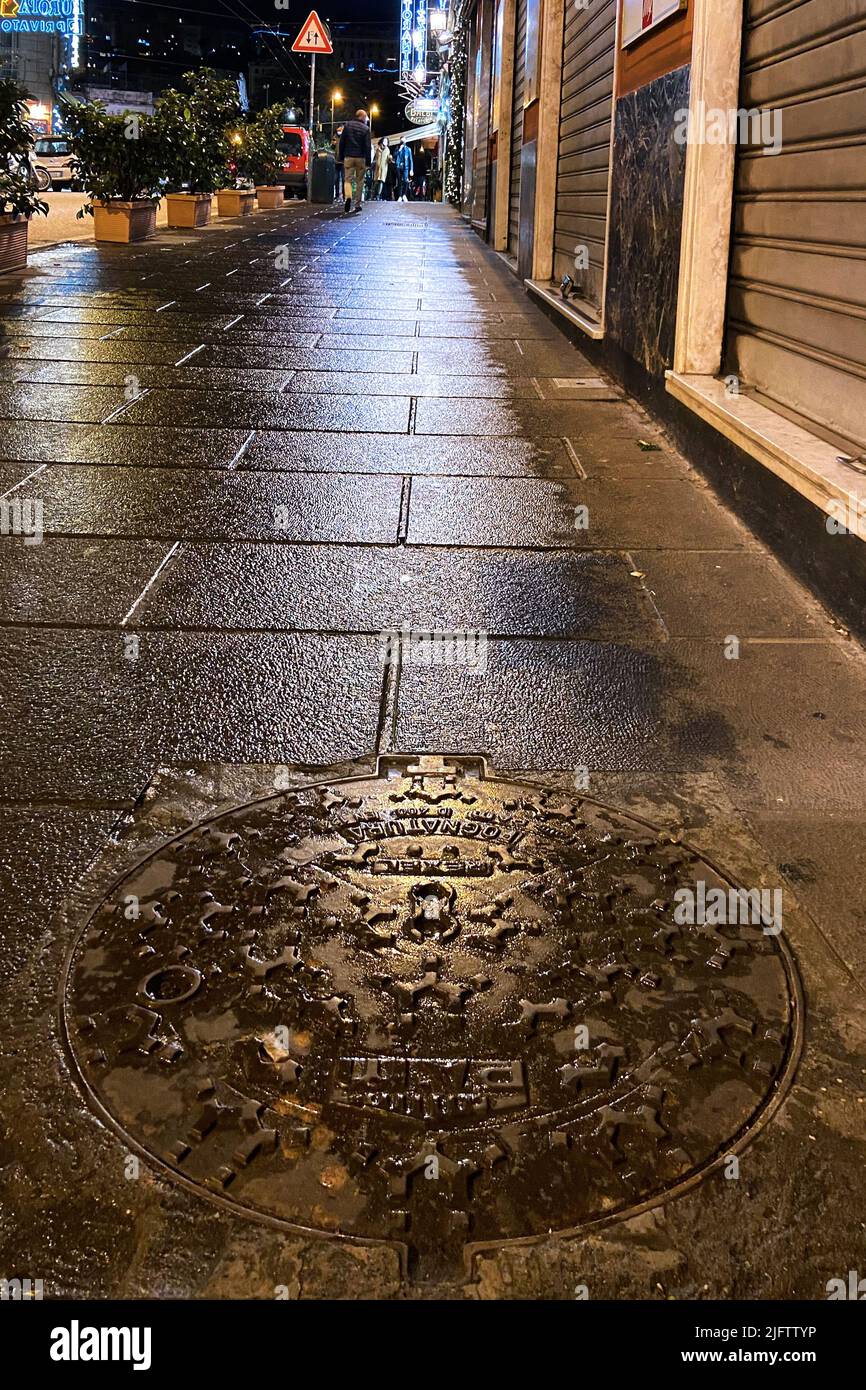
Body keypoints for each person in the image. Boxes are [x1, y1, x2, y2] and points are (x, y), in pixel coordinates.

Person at [338, 109, 372, 214]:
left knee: (347, 180)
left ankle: (348, 197)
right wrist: (368, 162)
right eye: (366, 118)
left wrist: (341, 156)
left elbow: (342, 142)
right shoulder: (366, 129)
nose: (367, 120)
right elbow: (367, 146)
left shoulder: (347, 126)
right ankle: (357, 204)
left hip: (348, 157)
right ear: (362, 117)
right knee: (360, 181)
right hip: (360, 158)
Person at [394, 137, 413, 202]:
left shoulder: (408, 149)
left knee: (405, 181)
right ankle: (400, 196)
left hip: (406, 167)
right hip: (398, 167)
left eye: (404, 140)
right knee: (399, 182)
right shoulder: (397, 148)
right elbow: (394, 156)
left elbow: (411, 160)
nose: (403, 141)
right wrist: (399, 149)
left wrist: (411, 169)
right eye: (401, 140)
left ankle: (404, 195)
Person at [332, 125, 344, 201]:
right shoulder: (335, 136)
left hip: (343, 161)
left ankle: (344, 196)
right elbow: (332, 147)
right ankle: (337, 196)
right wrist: (333, 144)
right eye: (338, 130)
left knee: (343, 179)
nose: (338, 131)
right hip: (336, 161)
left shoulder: (345, 137)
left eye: (340, 130)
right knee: (336, 179)